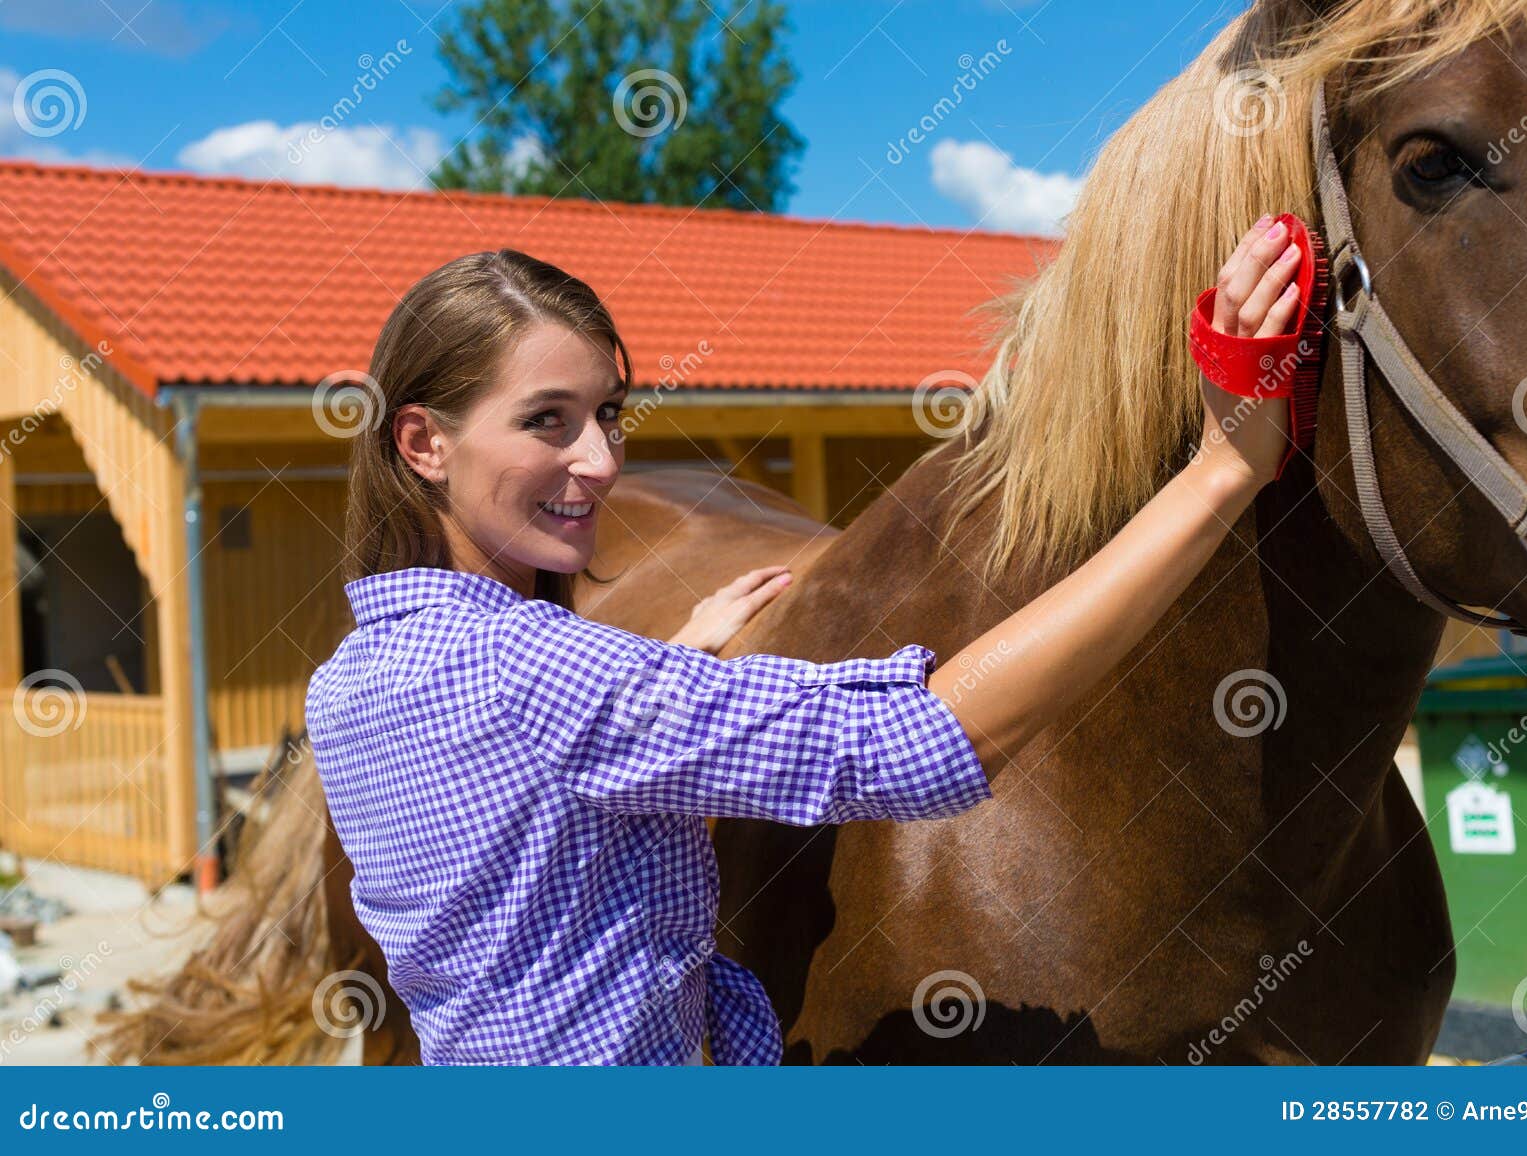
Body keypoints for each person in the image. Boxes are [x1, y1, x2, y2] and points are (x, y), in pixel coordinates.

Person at [304, 214, 1304, 1066]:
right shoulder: (538, 678)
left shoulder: (353, 678)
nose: (599, 461)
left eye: (607, 416)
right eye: (545, 421)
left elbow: (530, 851)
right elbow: (920, 739)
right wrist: (1219, 469)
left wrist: (666, 671)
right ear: (424, 442)